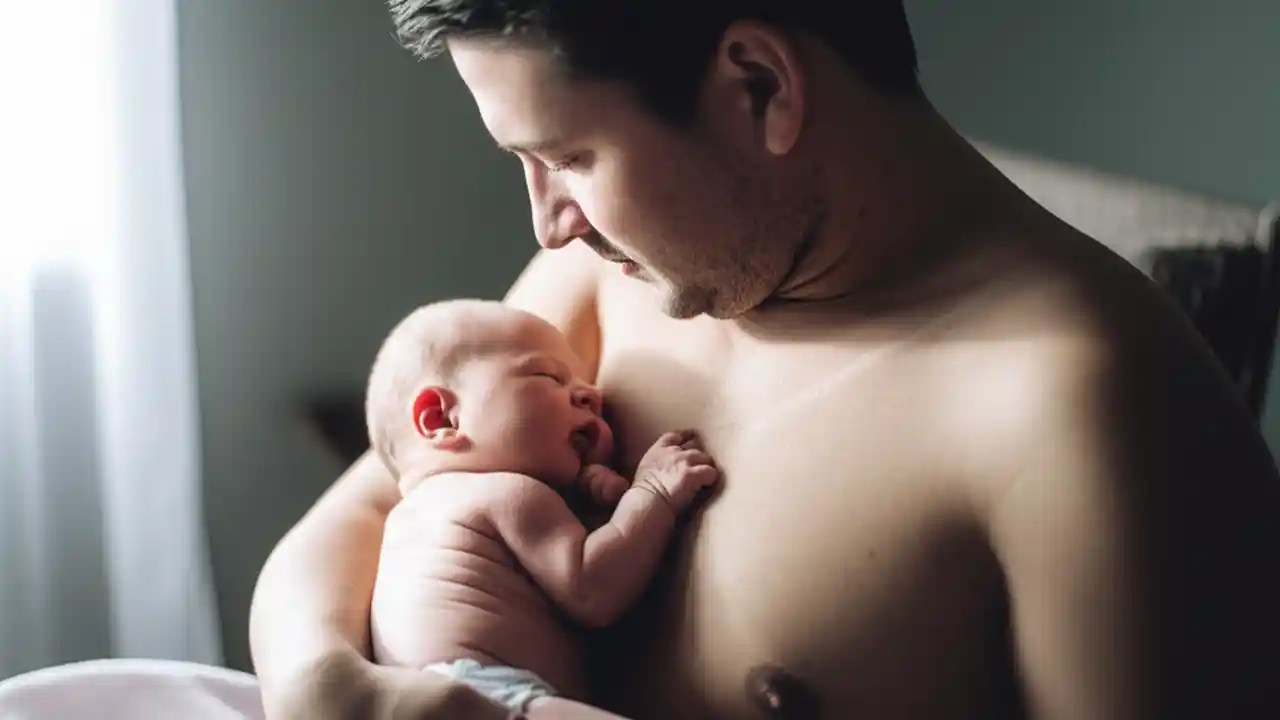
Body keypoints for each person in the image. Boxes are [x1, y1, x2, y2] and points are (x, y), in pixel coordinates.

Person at [250, 2, 1280, 718]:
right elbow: (360, 513)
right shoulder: (611, 280)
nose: (548, 221)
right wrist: (318, 687)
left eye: (567, 158)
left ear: (757, 84)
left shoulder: (1084, 409)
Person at [364, 299, 716, 715]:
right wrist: (653, 492)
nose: (591, 394)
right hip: (487, 695)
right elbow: (594, 589)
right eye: (549, 375)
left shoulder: (409, 521)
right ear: (442, 418)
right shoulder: (509, 493)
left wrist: (591, 496)